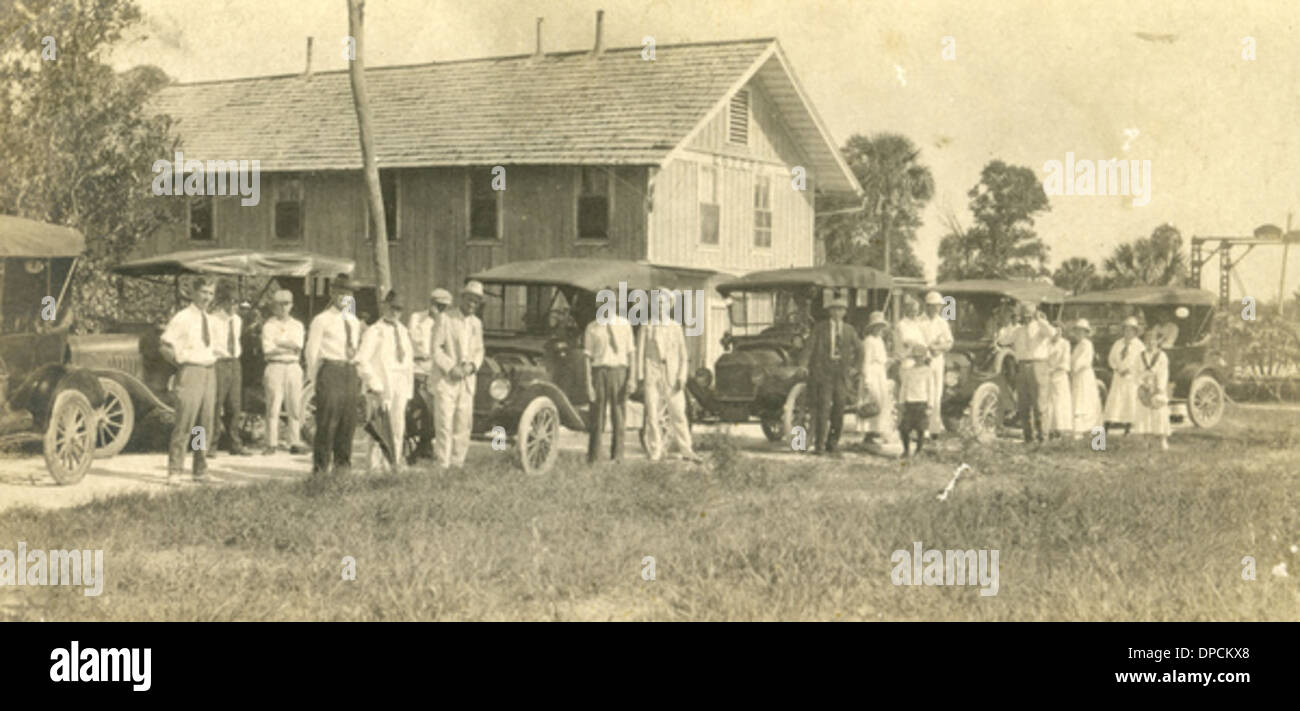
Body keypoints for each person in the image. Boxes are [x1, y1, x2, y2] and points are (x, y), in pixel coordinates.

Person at [159, 276, 218, 485]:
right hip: (190, 371)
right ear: (193, 292)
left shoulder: (211, 319)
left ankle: (200, 469)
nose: (207, 298)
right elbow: (165, 345)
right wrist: (180, 364)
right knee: (185, 422)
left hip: (209, 372)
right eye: (203, 292)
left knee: (203, 424)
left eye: (211, 293)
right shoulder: (182, 318)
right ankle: (175, 470)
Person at [305, 274, 363, 477]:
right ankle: (320, 470)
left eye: (349, 293)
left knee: (348, 423)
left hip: (349, 371)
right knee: (328, 423)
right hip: (330, 371)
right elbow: (311, 351)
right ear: (332, 292)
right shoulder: (321, 320)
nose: (345, 297)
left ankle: (342, 469)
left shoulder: (354, 321)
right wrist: (314, 381)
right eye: (341, 292)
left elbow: (355, 350)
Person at [636, 288, 701, 463]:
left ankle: (686, 449)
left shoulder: (675, 327)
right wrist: (640, 376)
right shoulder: (647, 326)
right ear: (652, 304)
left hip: (671, 375)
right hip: (653, 373)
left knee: (678, 413)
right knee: (652, 413)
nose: (660, 305)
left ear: (669, 305)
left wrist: (682, 376)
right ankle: (656, 449)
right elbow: (640, 352)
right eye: (656, 302)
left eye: (663, 302)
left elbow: (683, 355)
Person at [358, 290, 415, 472]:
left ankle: (393, 462)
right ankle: (374, 467)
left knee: (398, 426)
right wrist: (375, 385)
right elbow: (361, 360)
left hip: (400, 383)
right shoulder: (374, 331)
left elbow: (408, 362)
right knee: (379, 427)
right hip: (381, 384)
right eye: (392, 307)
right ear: (384, 306)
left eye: (399, 309)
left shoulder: (404, 331)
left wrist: (407, 389)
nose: (395, 312)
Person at [432, 280, 485, 469]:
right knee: (445, 422)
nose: (472, 304)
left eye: (476, 302)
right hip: (447, 380)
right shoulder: (446, 318)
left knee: (463, 423)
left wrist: (472, 366)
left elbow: (479, 350)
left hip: (467, 380)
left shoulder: (476, 324)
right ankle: (442, 465)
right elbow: (436, 348)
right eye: (469, 300)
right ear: (462, 298)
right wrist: (450, 367)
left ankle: (457, 463)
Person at [799, 292, 860, 456]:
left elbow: (861, 350)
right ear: (829, 311)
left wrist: (856, 367)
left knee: (839, 409)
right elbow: (809, 347)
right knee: (823, 409)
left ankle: (832, 445)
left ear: (845, 312)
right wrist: (803, 365)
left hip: (841, 374)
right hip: (824, 373)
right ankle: (819, 446)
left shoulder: (849, 330)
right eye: (834, 309)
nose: (837, 312)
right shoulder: (820, 328)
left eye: (841, 309)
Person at [584, 285, 636, 464]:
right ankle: (593, 456)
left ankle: (618, 456)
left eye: (610, 301)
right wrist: (589, 383)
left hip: (618, 372)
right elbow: (587, 358)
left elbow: (631, 353)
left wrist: (632, 378)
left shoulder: (625, 325)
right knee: (597, 415)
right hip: (599, 372)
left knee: (619, 414)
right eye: (603, 301)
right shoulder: (592, 327)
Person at [997, 302, 1058, 443]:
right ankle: (1028, 437)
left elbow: (1052, 333)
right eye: (1024, 314)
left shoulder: (1040, 328)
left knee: (1039, 403)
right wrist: (1006, 321)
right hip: (1022, 365)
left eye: (1029, 314)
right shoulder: (1018, 330)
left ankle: (1043, 437)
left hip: (1038, 364)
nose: (1026, 317)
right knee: (1023, 403)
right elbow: (1003, 340)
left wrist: (1040, 319)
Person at [261, 289, 307, 455]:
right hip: (275, 366)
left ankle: (294, 442)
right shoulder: (269, 325)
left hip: (293, 367)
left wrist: (279, 343)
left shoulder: (298, 325)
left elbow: (298, 346)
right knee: (273, 406)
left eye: (286, 303)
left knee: (294, 406)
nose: (283, 307)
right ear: (274, 305)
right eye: (279, 304)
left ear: (291, 305)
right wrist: (288, 345)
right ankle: (271, 443)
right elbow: (267, 349)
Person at [409, 288, 453, 461]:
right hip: (418, 367)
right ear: (431, 304)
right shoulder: (417, 319)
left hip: (437, 369)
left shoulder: (448, 322)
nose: (441, 310)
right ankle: (423, 442)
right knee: (422, 403)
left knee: (436, 408)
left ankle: (427, 443)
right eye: (439, 306)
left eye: (445, 307)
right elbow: (415, 342)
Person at [209, 279, 249, 456]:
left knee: (234, 406)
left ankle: (235, 443)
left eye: (236, 302)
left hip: (234, 363)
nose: (234, 306)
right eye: (230, 301)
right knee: (212, 406)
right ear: (222, 301)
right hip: (216, 363)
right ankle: (204, 446)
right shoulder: (211, 320)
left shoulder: (238, 321)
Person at [1103, 316, 1145, 435]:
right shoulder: (1118, 343)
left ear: (1135, 331)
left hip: (1131, 378)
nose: (1128, 332)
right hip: (1118, 377)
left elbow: (1141, 361)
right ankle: (1106, 427)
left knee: (1129, 401)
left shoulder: (1139, 346)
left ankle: (1127, 429)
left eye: (1131, 330)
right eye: (1126, 329)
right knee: (1114, 401)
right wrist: (1116, 368)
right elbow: (1111, 358)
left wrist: (1129, 370)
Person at [920, 290, 953, 435]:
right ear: (926, 306)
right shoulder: (920, 322)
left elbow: (949, 342)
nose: (935, 309)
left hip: (938, 360)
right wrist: (928, 348)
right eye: (932, 306)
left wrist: (938, 348)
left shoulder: (942, 322)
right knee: (925, 393)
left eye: (938, 306)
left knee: (937, 393)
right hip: (923, 360)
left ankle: (935, 427)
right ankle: (923, 427)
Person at [859, 311, 894, 445]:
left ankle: (878, 430)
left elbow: (882, 359)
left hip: (880, 372)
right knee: (873, 401)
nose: (879, 330)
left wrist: (889, 361)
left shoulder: (879, 340)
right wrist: (867, 380)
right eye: (877, 327)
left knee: (883, 401)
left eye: (881, 327)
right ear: (872, 328)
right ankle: (869, 433)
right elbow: (866, 361)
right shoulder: (868, 341)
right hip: (872, 372)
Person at [1133, 327, 1171, 450]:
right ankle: (1146, 440)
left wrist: (1158, 387)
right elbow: (1135, 373)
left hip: (1157, 387)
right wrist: (1143, 385)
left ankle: (1162, 440)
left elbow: (1163, 372)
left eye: (1153, 340)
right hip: (1144, 387)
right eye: (1147, 340)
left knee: (1159, 412)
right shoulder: (1140, 357)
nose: (1150, 343)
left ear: (1157, 342)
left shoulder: (1162, 356)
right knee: (1144, 413)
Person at [1068, 319, 1103, 439]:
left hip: (1085, 376)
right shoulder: (1078, 346)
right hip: (1078, 376)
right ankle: (1079, 431)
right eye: (1077, 331)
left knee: (1086, 401)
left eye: (1081, 331)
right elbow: (1072, 361)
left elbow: (1083, 361)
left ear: (1086, 332)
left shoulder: (1087, 344)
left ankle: (1095, 437)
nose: (1078, 334)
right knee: (1079, 400)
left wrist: (1073, 368)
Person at [897, 344, 932, 459]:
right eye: (916, 357)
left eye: (920, 357)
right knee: (904, 428)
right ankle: (906, 450)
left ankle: (918, 451)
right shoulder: (909, 371)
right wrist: (901, 402)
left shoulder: (928, 371)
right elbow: (904, 387)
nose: (918, 359)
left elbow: (931, 389)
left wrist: (930, 405)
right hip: (909, 402)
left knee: (921, 429)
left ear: (924, 357)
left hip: (922, 402)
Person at [1044, 323, 1073, 439]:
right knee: (1048, 402)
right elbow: (1043, 357)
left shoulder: (1065, 344)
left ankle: (1060, 429)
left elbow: (1065, 361)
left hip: (1060, 376)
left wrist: (1054, 369)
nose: (1057, 334)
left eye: (1059, 332)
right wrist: (1047, 369)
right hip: (1047, 375)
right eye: (1055, 331)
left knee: (1060, 402)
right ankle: (1049, 429)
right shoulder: (1046, 343)